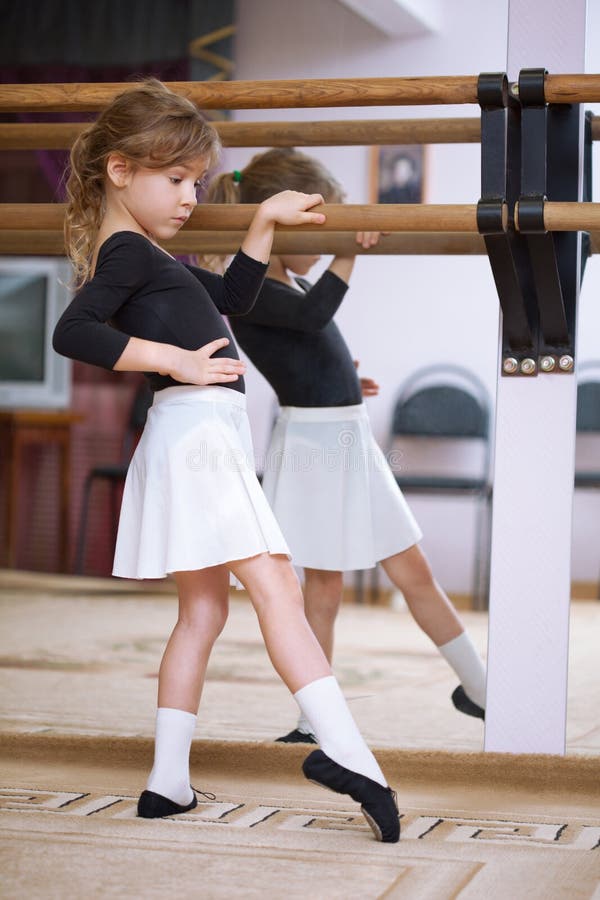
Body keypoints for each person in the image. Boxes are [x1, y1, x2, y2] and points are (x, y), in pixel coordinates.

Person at [52, 80, 399, 843]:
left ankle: (166, 783)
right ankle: (352, 757)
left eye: (197, 182)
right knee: (275, 584)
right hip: (198, 438)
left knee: (204, 610)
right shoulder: (124, 255)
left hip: (199, 438)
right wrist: (172, 358)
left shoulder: (147, 254)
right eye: (174, 179)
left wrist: (264, 221)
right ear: (120, 172)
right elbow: (73, 331)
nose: (188, 195)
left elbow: (237, 297)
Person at [205, 148, 487, 744]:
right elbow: (311, 318)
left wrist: (343, 381)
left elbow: (303, 346)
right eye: (319, 228)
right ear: (277, 226)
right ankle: (315, 718)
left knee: (414, 569)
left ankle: (481, 688)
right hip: (314, 446)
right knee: (324, 590)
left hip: (343, 433)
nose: (326, 240)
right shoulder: (249, 287)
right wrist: (350, 252)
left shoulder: (292, 278)